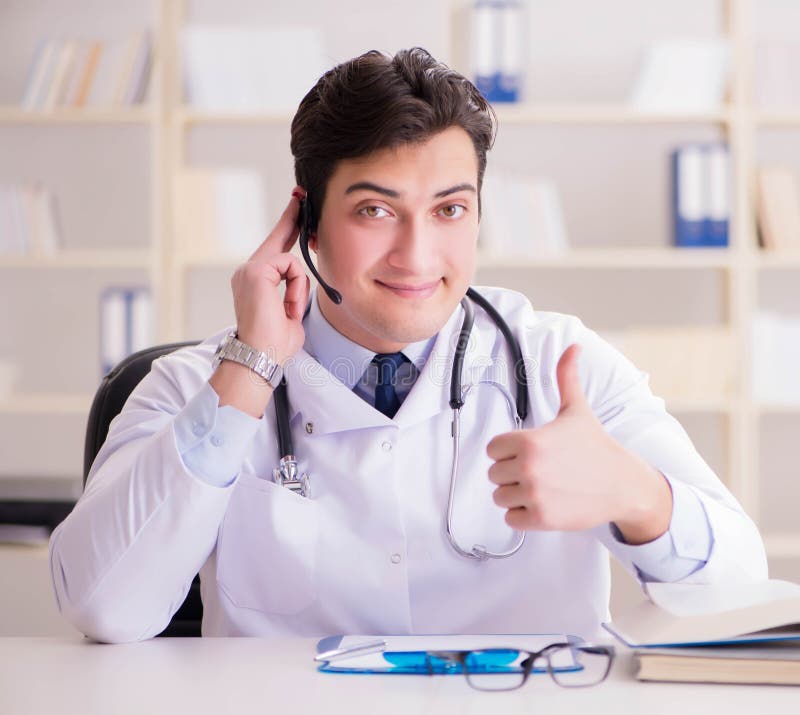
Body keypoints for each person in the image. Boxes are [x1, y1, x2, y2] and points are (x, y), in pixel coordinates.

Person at [49, 48, 766, 644]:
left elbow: (744, 587)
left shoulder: (560, 367)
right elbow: (104, 607)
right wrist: (250, 371)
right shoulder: (193, 384)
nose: (417, 254)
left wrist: (635, 494)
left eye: (450, 209)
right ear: (308, 223)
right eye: (375, 210)